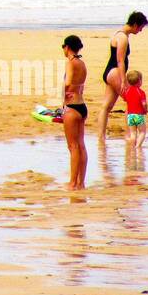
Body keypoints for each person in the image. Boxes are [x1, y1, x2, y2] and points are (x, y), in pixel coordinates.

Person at [99, 11, 148, 139]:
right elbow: (120, 60)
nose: (141, 31)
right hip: (115, 72)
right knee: (132, 101)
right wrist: (122, 80)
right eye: (141, 27)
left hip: (110, 72)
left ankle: (101, 138)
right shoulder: (123, 38)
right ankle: (129, 136)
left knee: (106, 106)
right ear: (135, 24)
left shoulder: (119, 34)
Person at [61, 35, 88, 190]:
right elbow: (80, 86)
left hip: (71, 108)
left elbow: (69, 81)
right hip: (82, 105)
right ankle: (81, 182)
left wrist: (62, 94)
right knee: (81, 145)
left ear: (67, 47)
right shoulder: (82, 63)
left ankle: (72, 183)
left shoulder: (71, 63)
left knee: (73, 147)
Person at [122, 69, 148, 148]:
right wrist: (145, 110)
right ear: (139, 81)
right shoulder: (141, 92)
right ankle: (138, 147)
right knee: (142, 132)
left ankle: (131, 143)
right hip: (139, 115)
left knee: (133, 133)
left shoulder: (127, 91)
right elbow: (144, 103)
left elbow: (125, 99)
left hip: (130, 116)